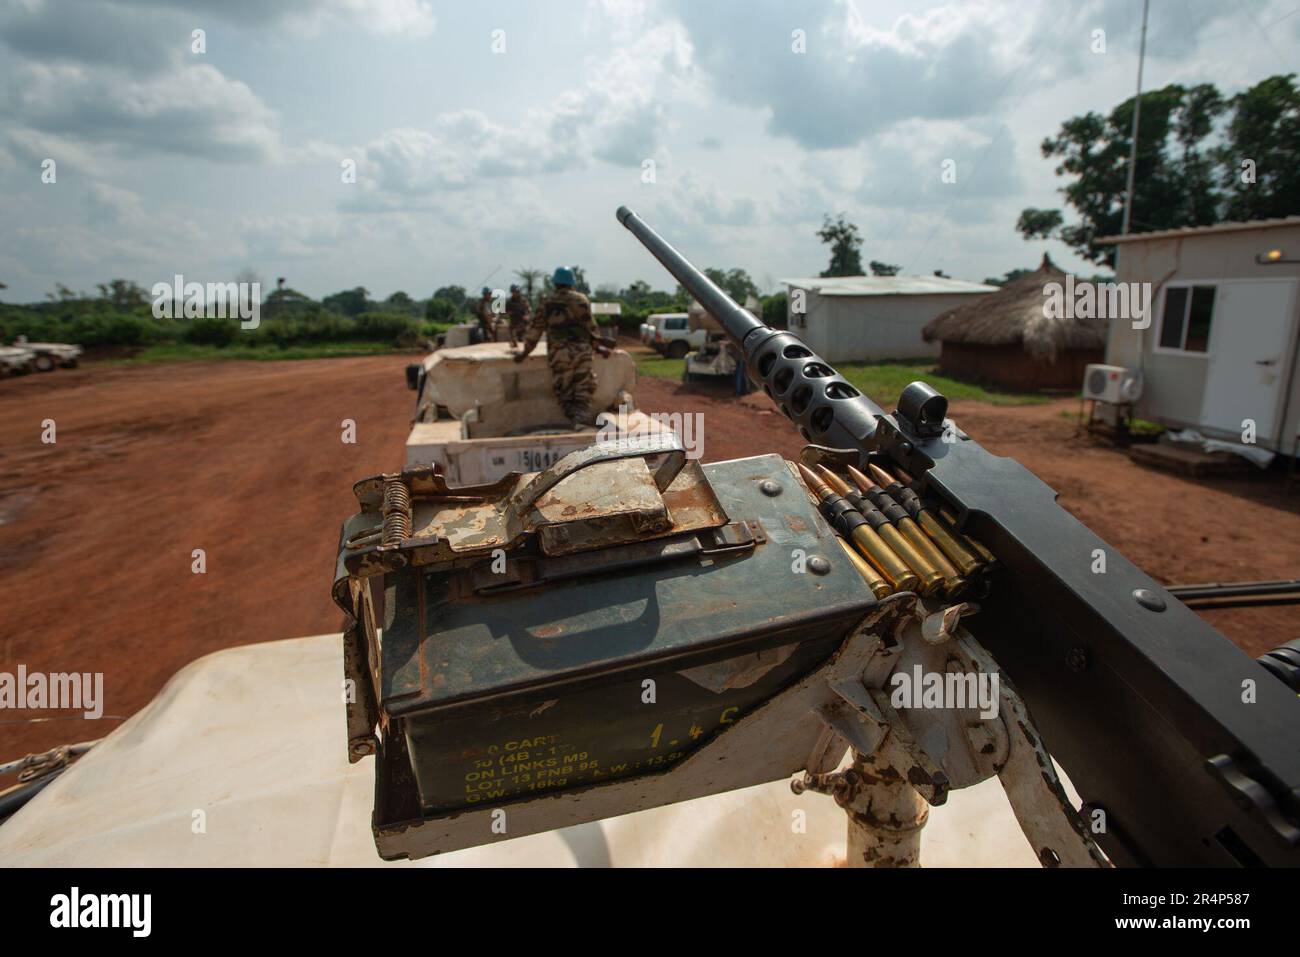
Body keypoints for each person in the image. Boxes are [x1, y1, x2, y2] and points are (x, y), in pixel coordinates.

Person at [515, 267, 612, 428]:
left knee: (564, 390)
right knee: (583, 388)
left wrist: (525, 352)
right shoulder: (581, 300)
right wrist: (599, 348)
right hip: (582, 351)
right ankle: (579, 420)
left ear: (555, 283)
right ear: (571, 283)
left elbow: (536, 330)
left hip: (559, 353)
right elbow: (591, 329)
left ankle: (574, 420)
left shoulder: (547, 301)